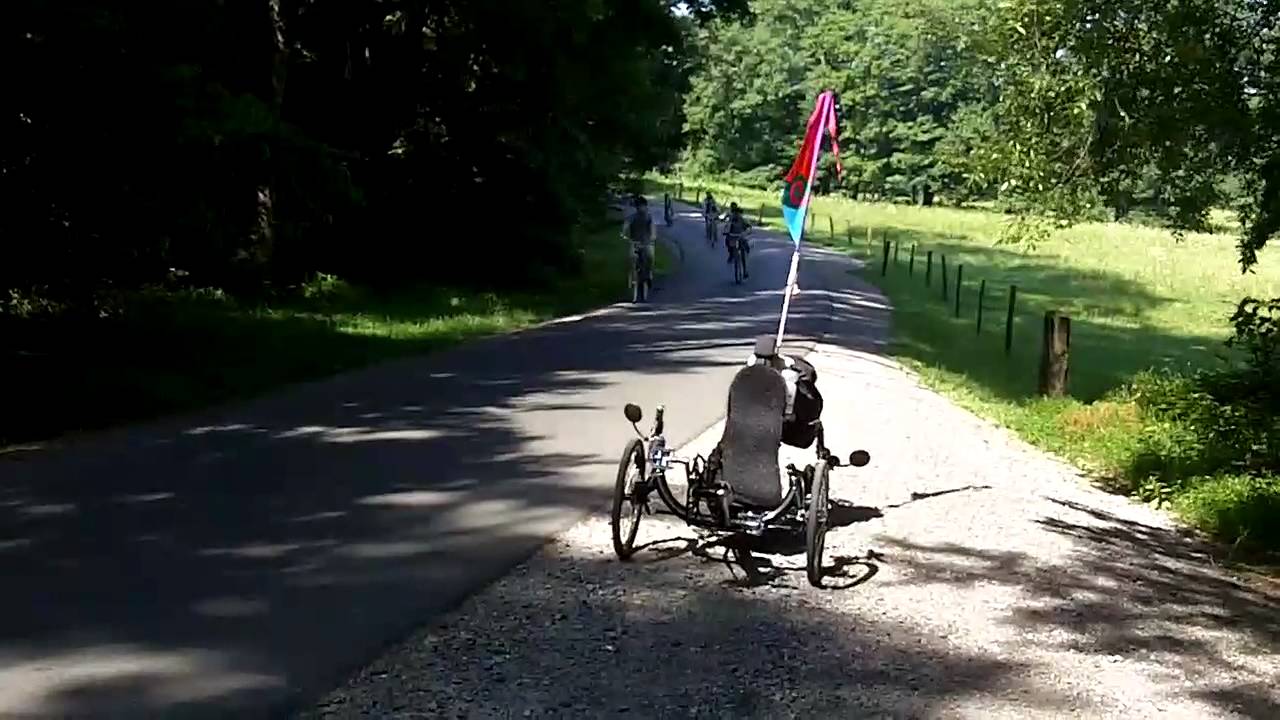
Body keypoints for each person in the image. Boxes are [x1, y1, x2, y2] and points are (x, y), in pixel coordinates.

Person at [622, 195, 656, 288]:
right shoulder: (633, 217)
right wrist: (623, 233)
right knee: (632, 257)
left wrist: (653, 236)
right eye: (639, 206)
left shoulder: (648, 217)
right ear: (637, 207)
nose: (641, 208)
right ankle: (633, 275)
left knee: (650, 257)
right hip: (635, 242)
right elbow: (626, 225)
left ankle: (649, 275)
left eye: (643, 206)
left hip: (646, 242)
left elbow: (653, 228)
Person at [722, 202, 751, 277]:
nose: (736, 215)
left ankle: (745, 271)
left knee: (743, 253)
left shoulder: (742, 219)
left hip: (740, 237)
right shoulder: (731, 219)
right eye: (735, 213)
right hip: (732, 237)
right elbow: (726, 227)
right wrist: (725, 232)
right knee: (728, 242)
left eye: (737, 213)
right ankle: (731, 255)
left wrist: (748, 230)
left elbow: (748, 226)